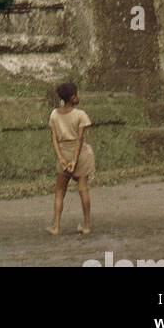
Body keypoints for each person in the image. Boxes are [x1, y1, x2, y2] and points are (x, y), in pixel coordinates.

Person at [47, 80, 93, 236]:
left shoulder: (54, 114)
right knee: (83, 189)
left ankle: (56, 226)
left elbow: (54, 139)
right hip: (80, 155)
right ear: (73, 97)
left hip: (64, 153)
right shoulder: (80, 115)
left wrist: (61, 158)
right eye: (77, 94)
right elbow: (80, 139)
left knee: (59, 191)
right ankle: (86, 225)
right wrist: (75, 160)